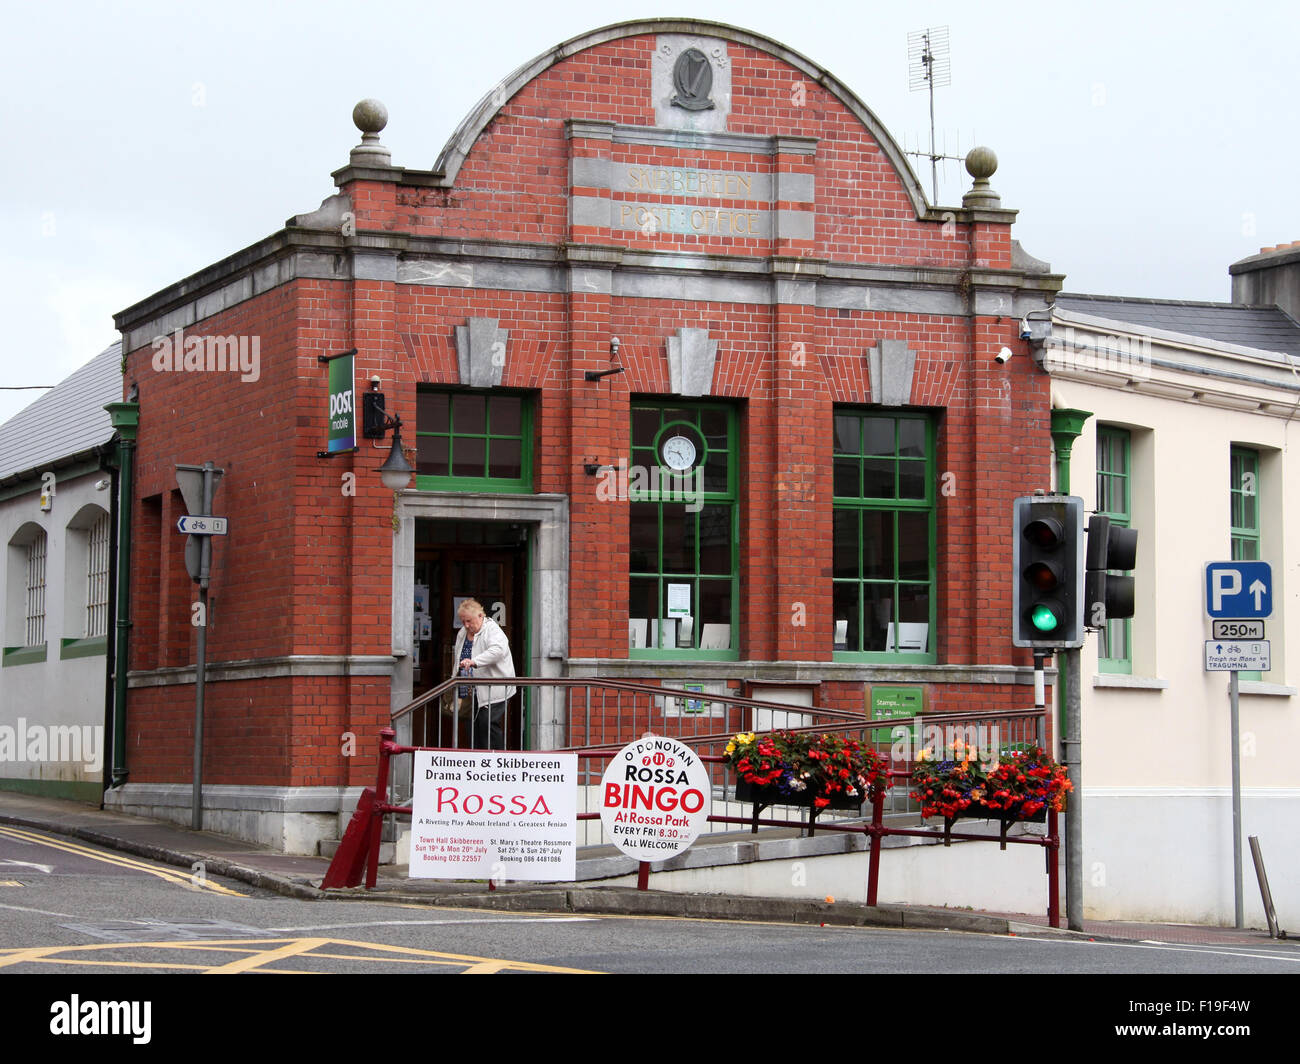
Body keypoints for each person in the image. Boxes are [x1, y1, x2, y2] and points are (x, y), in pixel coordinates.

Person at [450, 598, 516, 750]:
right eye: (463, 621)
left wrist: (474, 662)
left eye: (469, 621)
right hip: (469, 690)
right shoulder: (463, 632)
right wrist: (454, 679)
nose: (466, 625)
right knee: (471, 726)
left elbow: (498, 651)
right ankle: (477, 762)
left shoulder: (492, 630)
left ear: (480, 616)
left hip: (493, 690)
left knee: (487, 725)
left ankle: (495, 761)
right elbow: (458, 655)